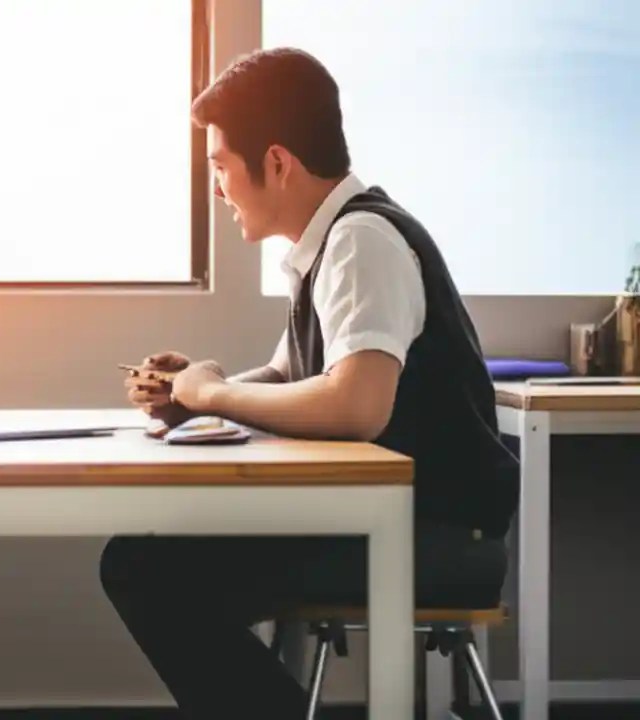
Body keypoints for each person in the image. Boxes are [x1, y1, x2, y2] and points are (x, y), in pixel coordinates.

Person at [101, 48, 519, 718]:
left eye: (219, 168)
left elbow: (356, 405)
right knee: (145, 564)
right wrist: (192, 393)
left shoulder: (363, 244)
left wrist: (213, 395)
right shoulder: (329, 248)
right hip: (391, 518)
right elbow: (286, 377)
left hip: (435, 534)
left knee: (146, 572)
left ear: (276, 163)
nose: (216, 188)